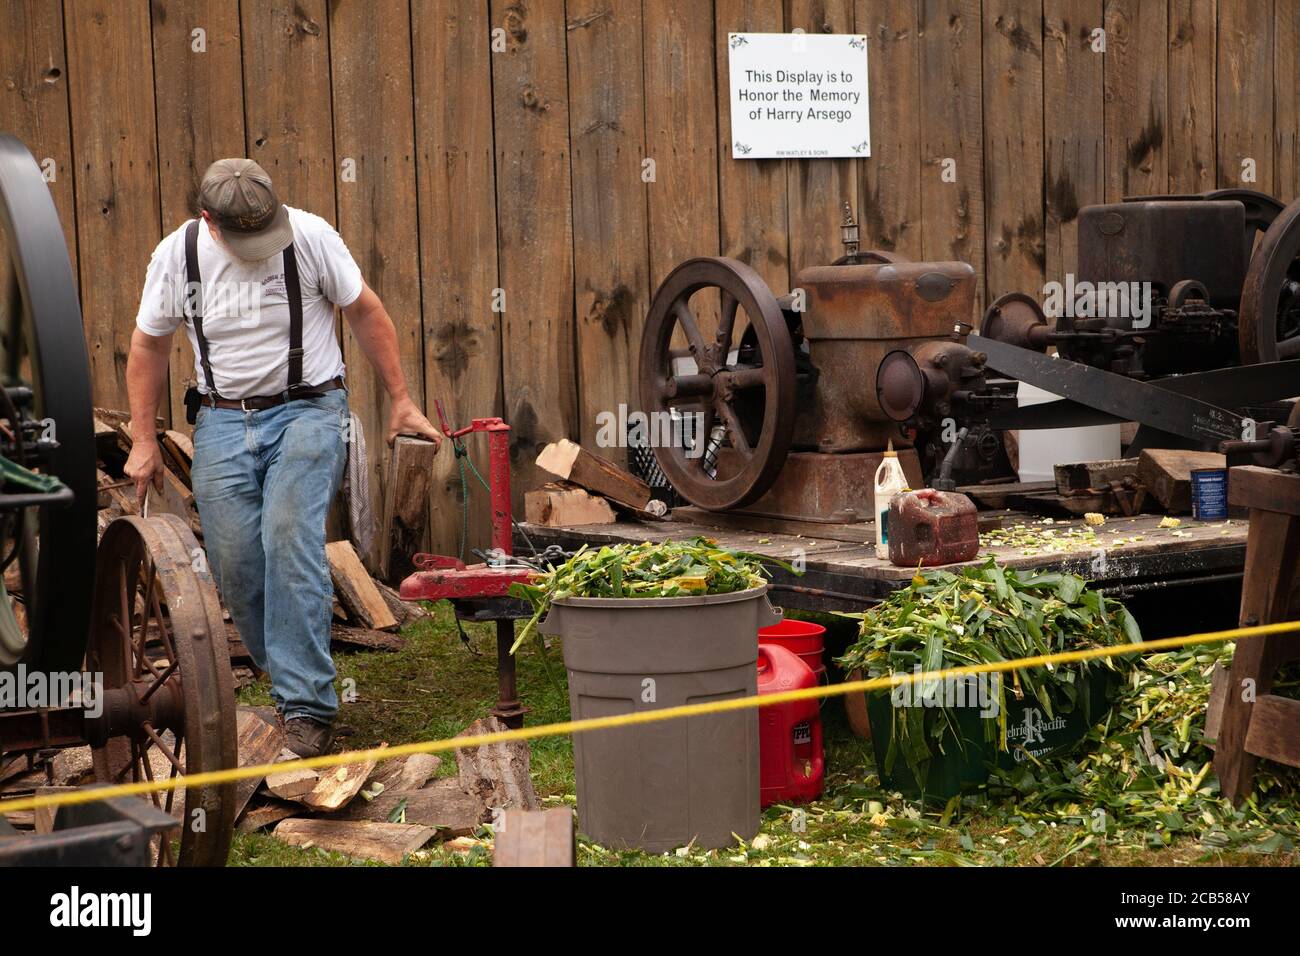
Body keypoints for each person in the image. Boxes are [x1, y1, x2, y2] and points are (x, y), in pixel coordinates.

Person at [124, 158, 441, 757]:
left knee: (288, 534)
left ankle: (307, 709)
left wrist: (401, 399)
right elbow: (149, 344)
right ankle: (289, 676)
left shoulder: (312, 237)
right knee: (236, 565)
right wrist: (143, 439)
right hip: (219, 420)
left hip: (309, 410)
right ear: (208, 223)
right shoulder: (179, 256)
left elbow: (366, 311)